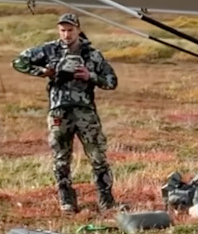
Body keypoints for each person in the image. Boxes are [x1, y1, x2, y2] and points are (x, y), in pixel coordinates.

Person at [11, 13, 119, 212]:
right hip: (59, 112)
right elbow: (18, 62)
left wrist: (90, 76)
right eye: (63, 30)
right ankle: (67, 200)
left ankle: (106, 201)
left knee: (98, 156)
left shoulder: (92, 54)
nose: (67, 35)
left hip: (85, 112)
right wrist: (43, 72)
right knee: (61, 157)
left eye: (70, 30)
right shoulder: (49, 50)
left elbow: (112, 81)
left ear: (78, 29)